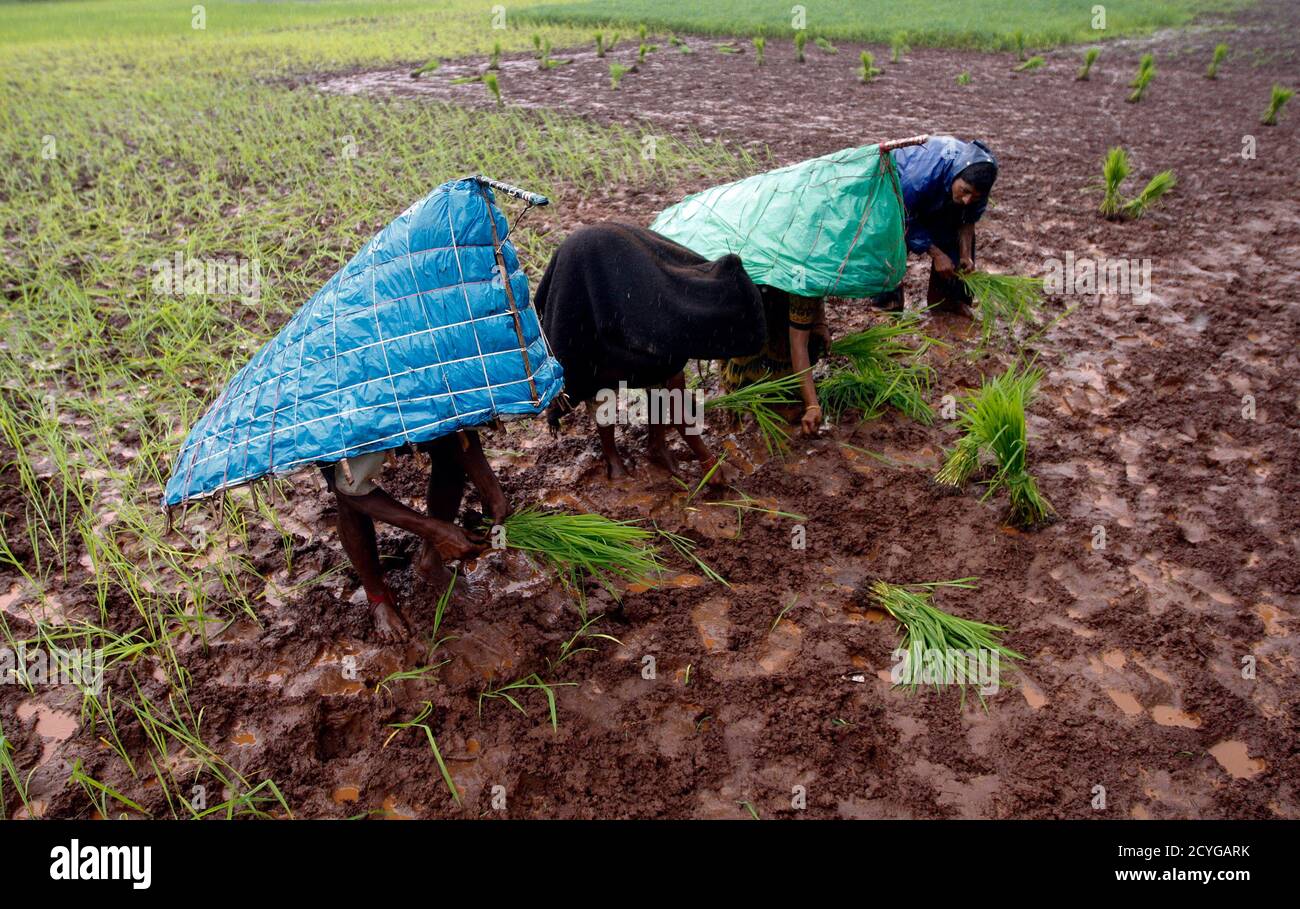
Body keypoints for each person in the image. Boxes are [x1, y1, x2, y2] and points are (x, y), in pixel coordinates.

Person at [321, 429, 508, 642]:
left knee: (447, 444)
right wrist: (432, 529)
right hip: (346, 428)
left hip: (419, 405)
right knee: (347, 489)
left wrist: (490, 488)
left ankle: (432, 560)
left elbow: (459, 424)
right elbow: (348, 489)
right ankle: (377, 594)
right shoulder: (338, 419)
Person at [873, 136, 998, 312]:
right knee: (894, 242)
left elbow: (968, 220)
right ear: (956, 174)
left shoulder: (977, 189)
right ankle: (887, 304)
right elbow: (902, 215)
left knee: (953, 238)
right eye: (965, 191)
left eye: (975, 197)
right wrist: (937, 254)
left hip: (936, 195)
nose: (967, 200)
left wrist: (965, 255)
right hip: (898, 196)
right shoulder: (919, 177)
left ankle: (949, 303)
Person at [719, 285, 831, 437]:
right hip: (753, 355)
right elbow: (798, 345)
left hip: (746, 351)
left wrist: (819, 321)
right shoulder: (801, 280)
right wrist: (811, 404)